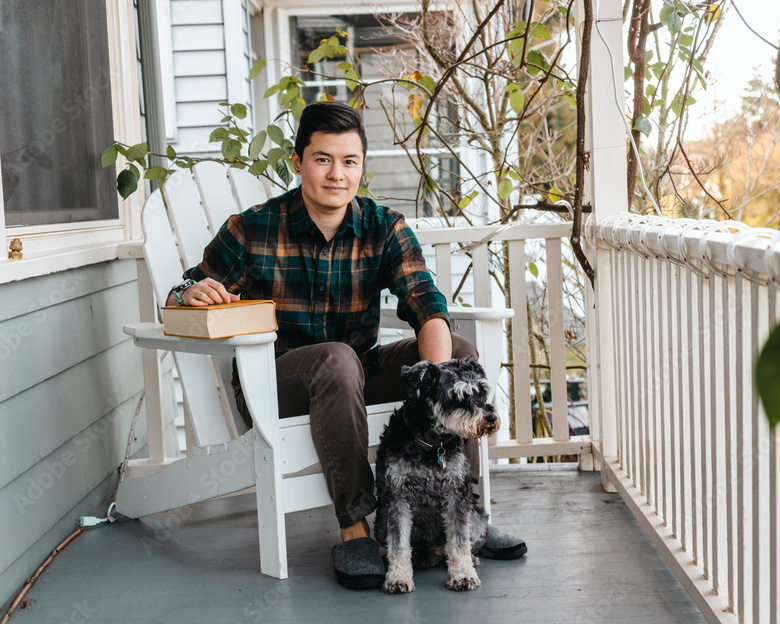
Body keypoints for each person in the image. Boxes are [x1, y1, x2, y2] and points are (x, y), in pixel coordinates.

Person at [165, 102, 526, 589]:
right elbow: (185, 287)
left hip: (359, 375)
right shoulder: (252, 228)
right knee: (337, 359)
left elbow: (424, 301)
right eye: (322, 159)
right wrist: (190, 292)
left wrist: (439, 381)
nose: (338, 174)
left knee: (454, 344)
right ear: (298, 161)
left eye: (349, 161)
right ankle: (357, 530)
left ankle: (467, 518)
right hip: (277, 381)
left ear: (361, 165)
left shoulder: (383, 226)